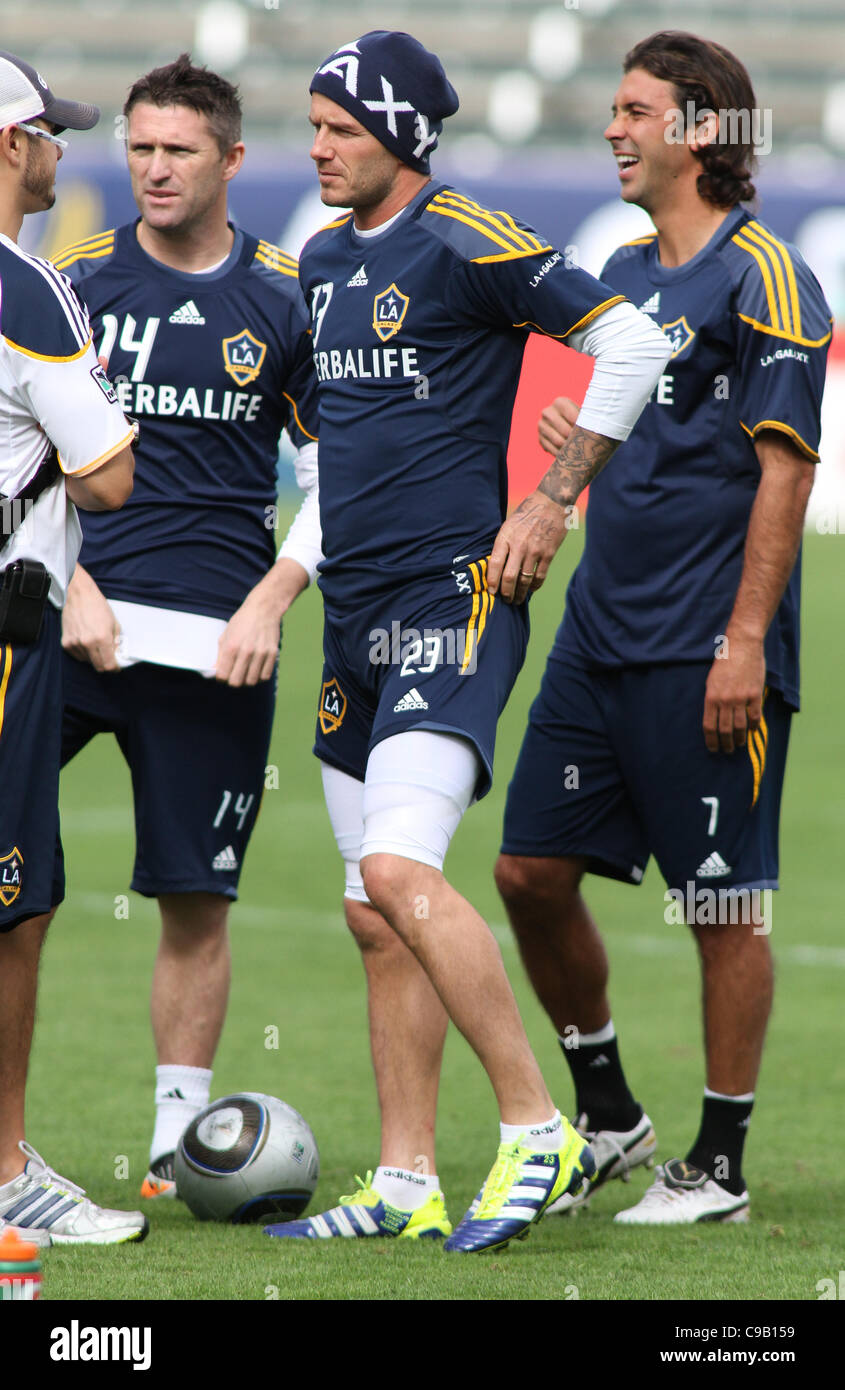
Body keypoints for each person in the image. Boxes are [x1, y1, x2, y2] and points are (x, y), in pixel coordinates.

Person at [263, 29, 671, 1254]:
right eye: (317, 126)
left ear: (399, 134)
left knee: (400, 872)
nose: (319, 147)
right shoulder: (323, 259)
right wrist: (286, 580)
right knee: (370, 909)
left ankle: (534, 1126)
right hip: (354, 621)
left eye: (339, 129)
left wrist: (551, 498)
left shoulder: (468, 237)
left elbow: (631, 343)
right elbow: (337, 454)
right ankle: (401, 1177)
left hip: (455, 600)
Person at [495, 30, 831, 1224]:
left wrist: (744, 641)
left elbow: (782, 478)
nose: (611, 130)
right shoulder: (623, 275)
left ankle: (720, 1166)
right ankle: (608, 1114)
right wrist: (572, 465)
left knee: (719, 903)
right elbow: (615, 422)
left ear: (700, 132)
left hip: (705, 645)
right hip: (596, 634)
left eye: (634, 111)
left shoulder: (769, 277)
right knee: (526, 870)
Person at [53, 55, 320, 1201]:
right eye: (139, 147)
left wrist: (270, 598)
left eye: (178, 151)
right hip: (69, 628)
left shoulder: (286, 294)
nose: (153, 169)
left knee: (194, 898)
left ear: (230, 161)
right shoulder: (67, 285)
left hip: (217, 650)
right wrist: (65, 581)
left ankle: (174, 1145)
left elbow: (336, 473)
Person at [0, 51, 145, 1245]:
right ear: (11, 145)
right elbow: (110, 476)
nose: (61, 153)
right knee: (13, 896)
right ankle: (3, 1168)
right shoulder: (27, 289)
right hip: (8, 625)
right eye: (49, 134)